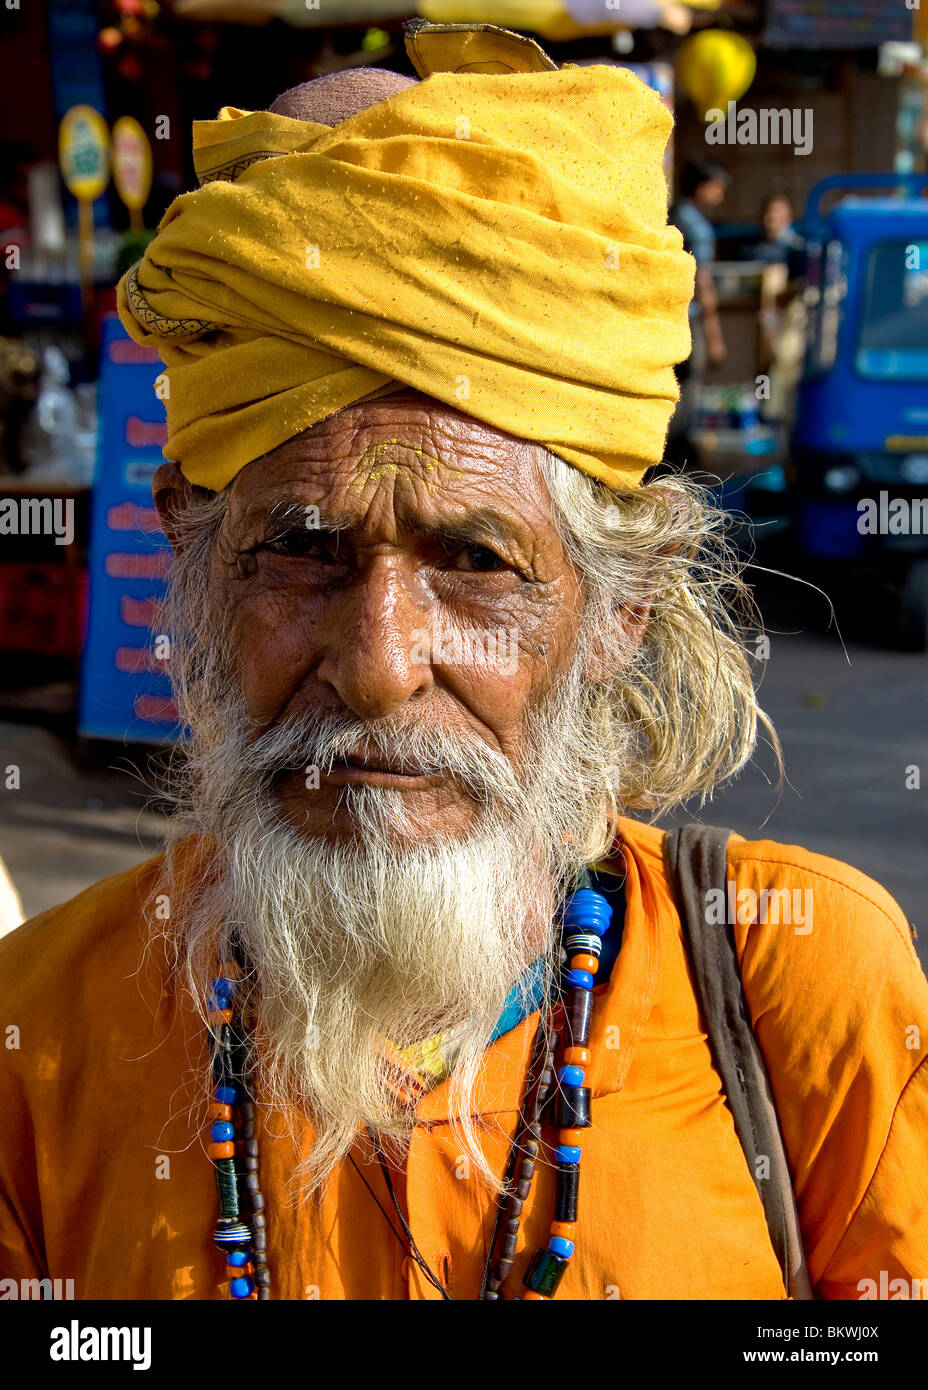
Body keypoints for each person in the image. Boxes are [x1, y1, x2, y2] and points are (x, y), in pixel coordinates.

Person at [0, 23, 926, 1302]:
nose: (380, 667)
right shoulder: (34, 1040)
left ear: (621, 607)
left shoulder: (800, 982)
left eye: (478, 562)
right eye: (304, 547)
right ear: (193, 564)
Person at [666, 158, 729, 468]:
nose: (719, 196)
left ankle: (665, 449)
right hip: (689, 320)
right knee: (688, 384)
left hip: (666, 316)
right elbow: (702, 280)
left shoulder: (671, 215)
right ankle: (677, 453)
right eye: (716, 188)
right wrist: (715, 335)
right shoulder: (698, 227)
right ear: (702, 188)